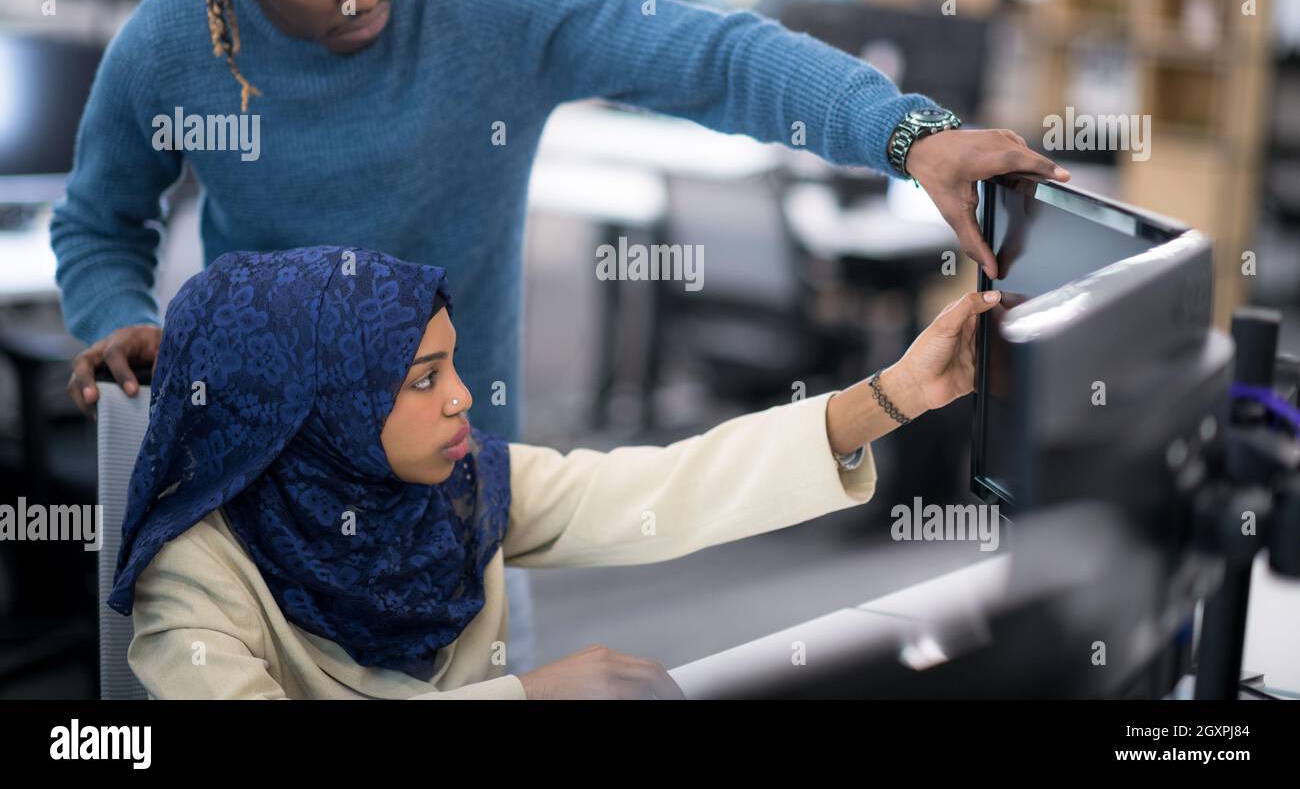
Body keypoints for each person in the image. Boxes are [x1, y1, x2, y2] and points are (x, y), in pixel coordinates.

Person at [54, 0, 1067, 673]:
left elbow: (708, 55)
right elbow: (100, 223)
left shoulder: (482, 1)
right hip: (270, 492)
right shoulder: (167, 45)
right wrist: (114, 317)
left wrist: (904, 133)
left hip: (464, 483)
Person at [111, 245, 999, 699]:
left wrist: (891, 396)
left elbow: (658, 490)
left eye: (452, 366)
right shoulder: (196, 575)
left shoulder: (460, 488)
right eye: (424, 380)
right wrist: (532, 693)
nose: (463, 400)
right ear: (319, 410)